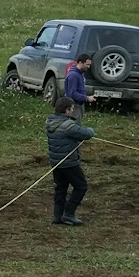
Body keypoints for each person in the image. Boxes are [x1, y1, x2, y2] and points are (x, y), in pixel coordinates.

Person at [46, 91, 95, 226]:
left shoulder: (50, 122)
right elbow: (86, 134)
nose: (73, 111)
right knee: (81, 186)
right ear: (67, 110)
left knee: (60, 188)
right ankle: (68, 213)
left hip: (56, 163)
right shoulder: (68, 126)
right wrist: (91, 130)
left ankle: (57, 216)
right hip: (69, 163)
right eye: (72, 109)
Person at [63, 51, 92, 119]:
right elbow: (72, 93)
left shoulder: (80, 73)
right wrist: (86, 98)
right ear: (80, 63)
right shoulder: (73, 75)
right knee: (74, 126)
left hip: (79, 105)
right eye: (87, 64)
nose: (88, 67)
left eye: (89, 65)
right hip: (73, 106)